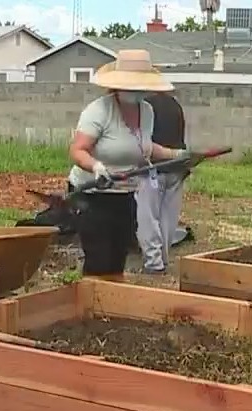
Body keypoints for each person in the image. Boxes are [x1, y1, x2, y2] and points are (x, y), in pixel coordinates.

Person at [67, 49, 194, 282]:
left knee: (118, 255)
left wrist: (178, 154)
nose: (137, 92)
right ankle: (92, 303)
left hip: (125, 193)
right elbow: (77, 150)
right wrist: (97, 167)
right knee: (99, 257)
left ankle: (112, 303)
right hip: (92, 194)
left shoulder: (146, 111)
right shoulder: (99, 111)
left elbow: (145, 148)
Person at [137, 90, 188, 274]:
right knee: (168, 217)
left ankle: (153, 262)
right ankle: (163, 259)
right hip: (177, 168)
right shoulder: (174, 105)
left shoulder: (144, 106)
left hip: (151, 169)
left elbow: (142, 144)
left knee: (148, 217)